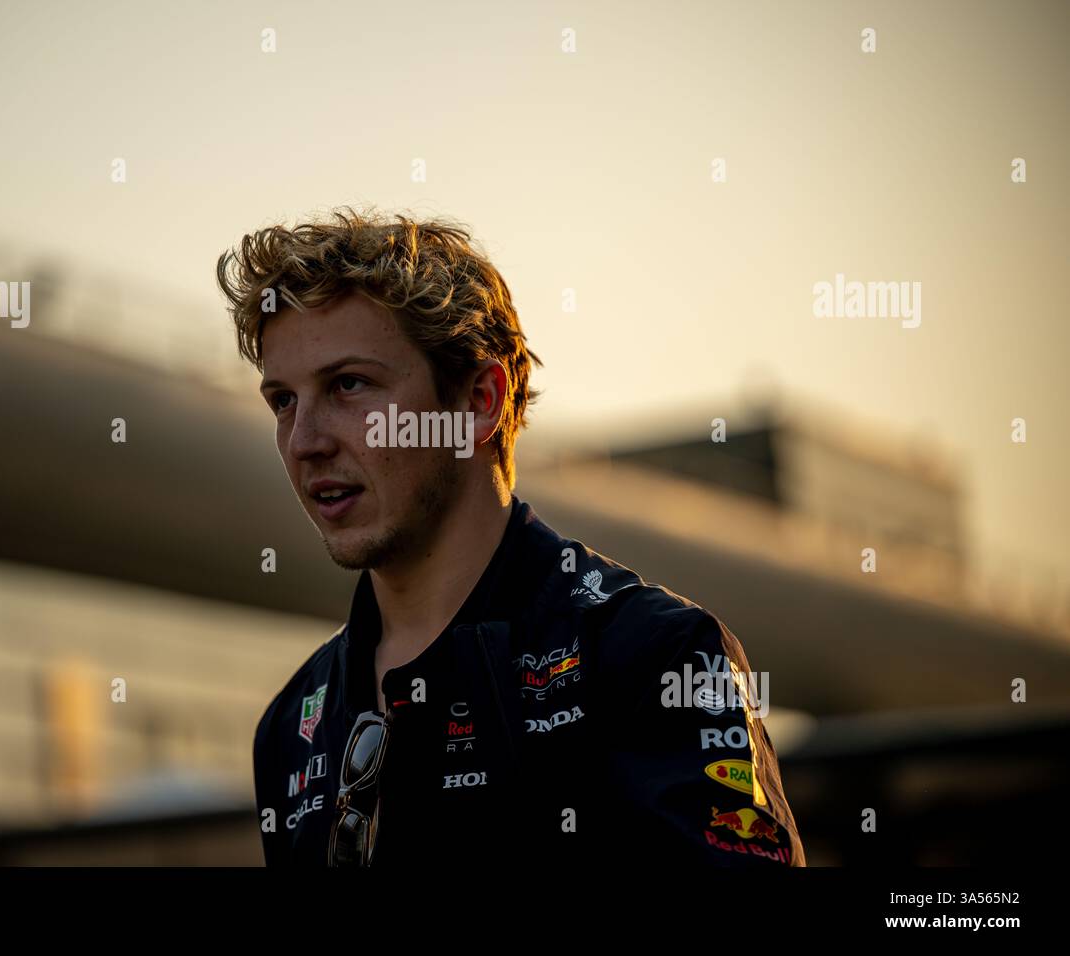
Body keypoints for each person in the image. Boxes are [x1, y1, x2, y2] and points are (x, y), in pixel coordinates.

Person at [215, 207, 805, 867]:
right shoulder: (293, 723)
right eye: (283, 402)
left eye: (349, 386)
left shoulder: (655, 656)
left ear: (478, 402)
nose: (306, 442)